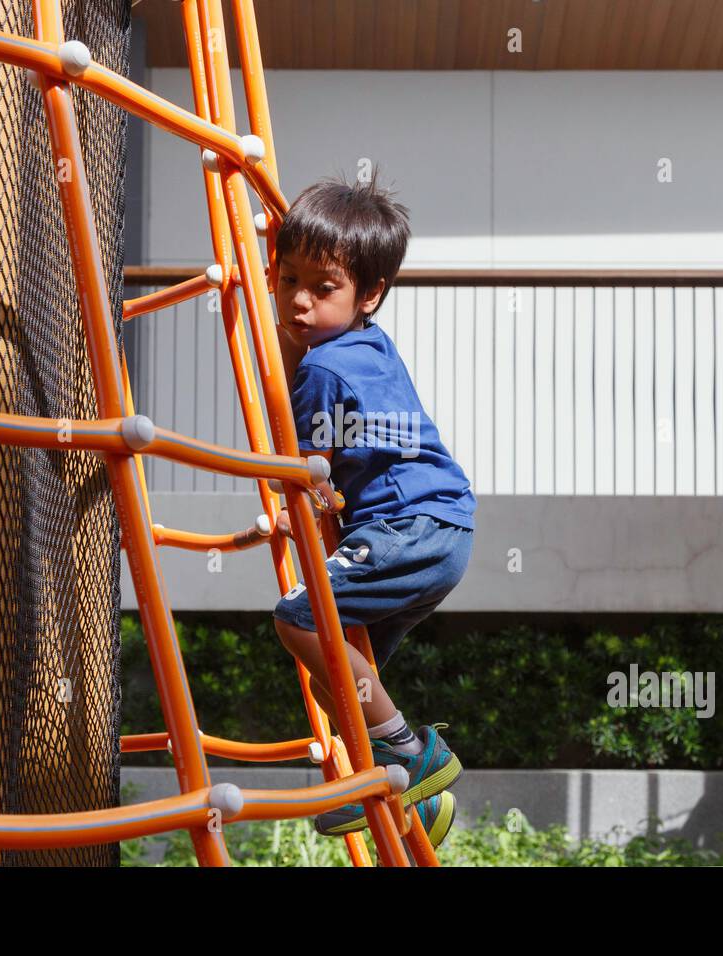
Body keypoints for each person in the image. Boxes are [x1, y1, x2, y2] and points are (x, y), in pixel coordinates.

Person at [269, 170, 476, 846]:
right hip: (439, 529)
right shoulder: (364, 345)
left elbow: (301, 474)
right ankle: (408, 797)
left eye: (322, 288)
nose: (300, 302)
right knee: (349, 665)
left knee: (302, 620)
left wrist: (290, 491)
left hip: (406, 525)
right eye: (287, 279)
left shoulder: (325, 372)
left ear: (370, 295)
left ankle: (412, 754)